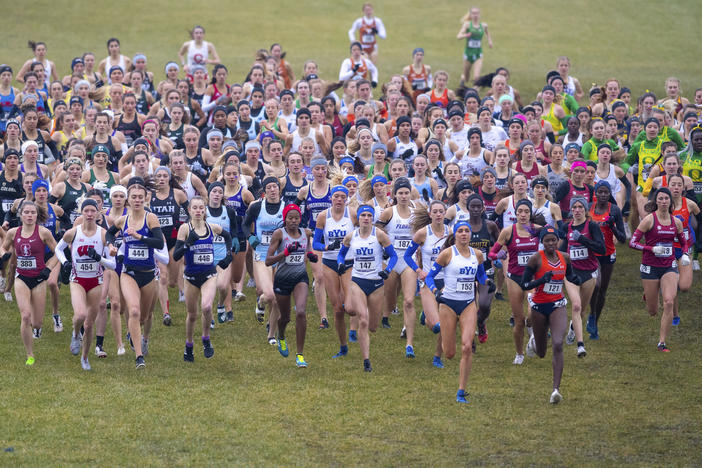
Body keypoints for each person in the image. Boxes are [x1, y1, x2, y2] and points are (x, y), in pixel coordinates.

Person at [425, 220, 491, 403]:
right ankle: (428, 319)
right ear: (455, 235)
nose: (463, 234)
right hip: (448, 304)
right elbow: (430, 276)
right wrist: (436, 291)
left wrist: (487, 282)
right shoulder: (447, 254)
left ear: (470, 234)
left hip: (468, 304)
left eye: (466, 231)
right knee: (450, 353)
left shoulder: (477, 255)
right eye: (460, 231)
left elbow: (480, 275)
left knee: (467, 346)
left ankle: (461, 391)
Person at [105, 178, 165, 369]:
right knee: (134, 310)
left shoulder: (151, 218)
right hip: (128, 273)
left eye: (140, 197)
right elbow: (109, 234)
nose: (137, 200)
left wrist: (140, 237)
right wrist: (111, 246)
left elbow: (159, 243)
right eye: (134, 197)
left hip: (148, 273)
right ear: (128, 200)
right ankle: (139, 357)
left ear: (145, 198)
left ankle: (137, 334)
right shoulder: (123, 220)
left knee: (144, 317)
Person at [520, 226, 581, 404]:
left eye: (554, 240)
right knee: (541, 353)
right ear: (542, 242)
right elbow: (524, 284)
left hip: (557, 304)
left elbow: (570, 276)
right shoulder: (535, 259)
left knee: (557, 343)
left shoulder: (565, 257)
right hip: (538, 306)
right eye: (547, 240)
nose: (551, 243)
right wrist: (540, 280)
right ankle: (533, 341)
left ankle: (556, 390)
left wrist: (575, 279)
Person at [55, 200, 116, 370]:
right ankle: (75, 334)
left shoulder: (104, 234)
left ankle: (85, 357)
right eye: (86, 211)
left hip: (96, 281)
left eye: (92, 211)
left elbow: (112, 265)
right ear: (81, 213)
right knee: (80, 315)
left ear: (98, 214)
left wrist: (99, 258)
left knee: (89, 324)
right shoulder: (73, 233)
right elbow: (58, 249)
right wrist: (65, 262)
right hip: (77, 280)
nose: (89, 214)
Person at [337, 204, 397, 372]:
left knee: (372, 326)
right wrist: (341, 264)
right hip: (357, 281)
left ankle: (368, 327)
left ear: (372, 218)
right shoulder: (351, 237)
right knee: (363, 319)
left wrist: (387, 271)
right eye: (362, 215)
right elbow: (341, 254)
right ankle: (366, 360)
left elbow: (393, 256)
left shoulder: (380, 235)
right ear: (358, 218)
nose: (365, 218)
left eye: (368, 215)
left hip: (376, 283)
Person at [173, 196, 232, 362]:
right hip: (191, 277)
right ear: (190, 210)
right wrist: (187, 244)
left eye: (201, 208)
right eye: (195, 208)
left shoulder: (211, 227)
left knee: (206, 307)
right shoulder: (185, 229)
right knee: (192, 315)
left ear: (205, 211)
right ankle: (189, 345)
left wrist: (228, 256)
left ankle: (206, 339)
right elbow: (177, 256)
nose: (198, 211)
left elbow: (228, 237)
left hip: (209, 275)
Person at [629, 188, 688, 352]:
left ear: (670, 202)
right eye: (660, 199)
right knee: (653, 311)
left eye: (666, 199)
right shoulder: (649, 220)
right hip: (650, 267)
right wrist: (651, 249)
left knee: (669, 302)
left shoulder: (676, 222)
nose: (663, 201)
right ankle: (649, 295)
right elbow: (632, 243)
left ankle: (662, 342)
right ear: (656, 202)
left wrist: (684, 254)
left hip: (669, 266)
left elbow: (683, 243)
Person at [0, 201, 57, 365]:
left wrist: (48, 268)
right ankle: (29, 355)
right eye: (26, 212)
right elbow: (3, 247)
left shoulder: (44, 232)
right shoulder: (13, 232)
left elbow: (58, 253)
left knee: (37, 323)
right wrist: (4, 255)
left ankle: (35, 324)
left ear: (37, 215)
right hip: (21, 278)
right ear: (21, 214)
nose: (30, 215)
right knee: (25, 316)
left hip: (39, 278)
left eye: (33, 213)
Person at [266, 204, 318, 368]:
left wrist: (311, 254)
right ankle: (281, 335)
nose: (294, 221)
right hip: (282, 279)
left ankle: (300, 355)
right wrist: (285, 253)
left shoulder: (306, 232)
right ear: (285, 219)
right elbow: (268, 260)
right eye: (290, 218)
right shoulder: (279, 234)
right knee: (285, 318)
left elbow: (307, 248)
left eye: (296, 218)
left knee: (301, 312)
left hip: (300, 277)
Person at [489, 199, 540, 364]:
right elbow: (492, 254)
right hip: (514, 278)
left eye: (526, 211)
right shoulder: (508, 231)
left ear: (530, 213)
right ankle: (519, 354)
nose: (523, 215)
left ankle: (532, 333)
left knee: (533, 315)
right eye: (520, 212)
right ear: (515, 214)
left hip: (532, 278)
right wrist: (498, 256)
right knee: (519, 320)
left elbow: (554, 244)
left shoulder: (538, 230)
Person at [313, 184, 357, 357]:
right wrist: (327, 246)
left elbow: (364, 235)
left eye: (342, 197)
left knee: (350, 307)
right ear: (330, 198)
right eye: (336, 196)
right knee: (338, 309)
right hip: (330, 263)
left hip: (349, 263)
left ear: (347, 199)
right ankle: (343, 346)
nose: (339, 200)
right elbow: (315, 242)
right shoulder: (323, 216)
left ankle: (358, 323)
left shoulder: (353, 214)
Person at [376, 178, 417, 355]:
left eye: (406, 192)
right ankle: (385, 316)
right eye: (400, 193)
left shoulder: (417, 213)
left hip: (409, 261)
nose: (403, 196)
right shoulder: (388, 212)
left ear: (410, 194)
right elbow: (376, 229)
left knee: (408, 300)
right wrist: (384, 242)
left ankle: (408, 341)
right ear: (395, 195)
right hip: (392, 260)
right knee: (390, 297)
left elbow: (423, 234)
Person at [560, 197, 605, 357]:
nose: (577, 210)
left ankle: (573, 327)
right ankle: (580, 346)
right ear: (571, 210)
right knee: (576, 306)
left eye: (580, 207)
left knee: (582, 310)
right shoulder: (567, 227)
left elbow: (601, 248)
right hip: (572, 273)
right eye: (574, 207)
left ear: (586, 210)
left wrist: (583, 239)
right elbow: (563, 249)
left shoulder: (592, 226)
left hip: (589, 273)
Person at [243, 177, 283, 344]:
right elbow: (245, 225)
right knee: (270, 294)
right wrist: (250, 237)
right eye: (269, 187)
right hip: (261, 253)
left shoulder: (286, 207)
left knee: (278, 297)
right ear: (265, 191)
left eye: (275, 186)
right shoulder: (257, 207)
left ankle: (271, 334)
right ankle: (261, 302)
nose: (273, 190)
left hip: (280, 255)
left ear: (279, 189)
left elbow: (295, 225)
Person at [587, 181, 626, 339]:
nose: (603, 195)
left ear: (610, 194)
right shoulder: (588, 208)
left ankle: (594, 321)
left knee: (602, 291)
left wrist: (612, 227)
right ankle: (591, 314)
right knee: (595, 286)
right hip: (592, 254)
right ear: (595, 193)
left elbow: (623, 239)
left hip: (608, 254)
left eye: (606, 192)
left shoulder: (614, 210)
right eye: (600, 192)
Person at [456, 7, 492, 85]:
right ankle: (463, 78)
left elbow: (487, 33)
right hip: (468, 54)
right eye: (473, 13)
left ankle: (474, 95)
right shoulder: (467, 25)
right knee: (466, 78)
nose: (475, 15)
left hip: (478, 54)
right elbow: (458, 36)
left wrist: (490, 41)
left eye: (477, 13)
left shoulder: (484, 25)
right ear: (471, 15)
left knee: (476, 77)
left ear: (479, 15)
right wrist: (466, 35)